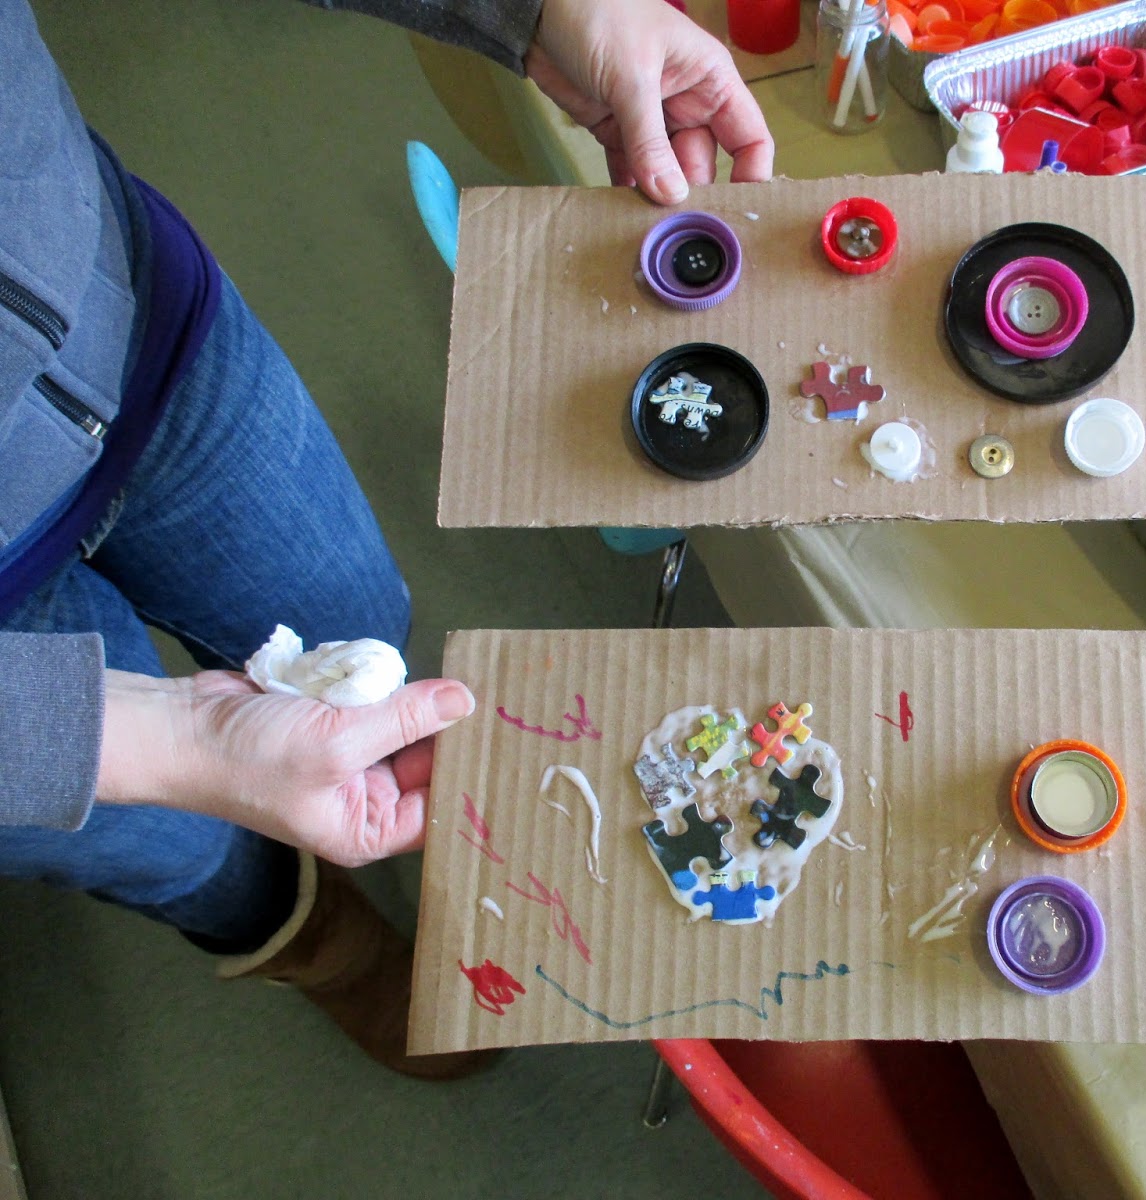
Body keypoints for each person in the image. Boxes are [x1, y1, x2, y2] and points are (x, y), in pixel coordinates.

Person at [0, 0, 773, 1078]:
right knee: (173, 843)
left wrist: (544, 10)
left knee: (355, 629)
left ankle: (384, 833)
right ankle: (322, 944)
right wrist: (165, 744)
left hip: (131, 321)